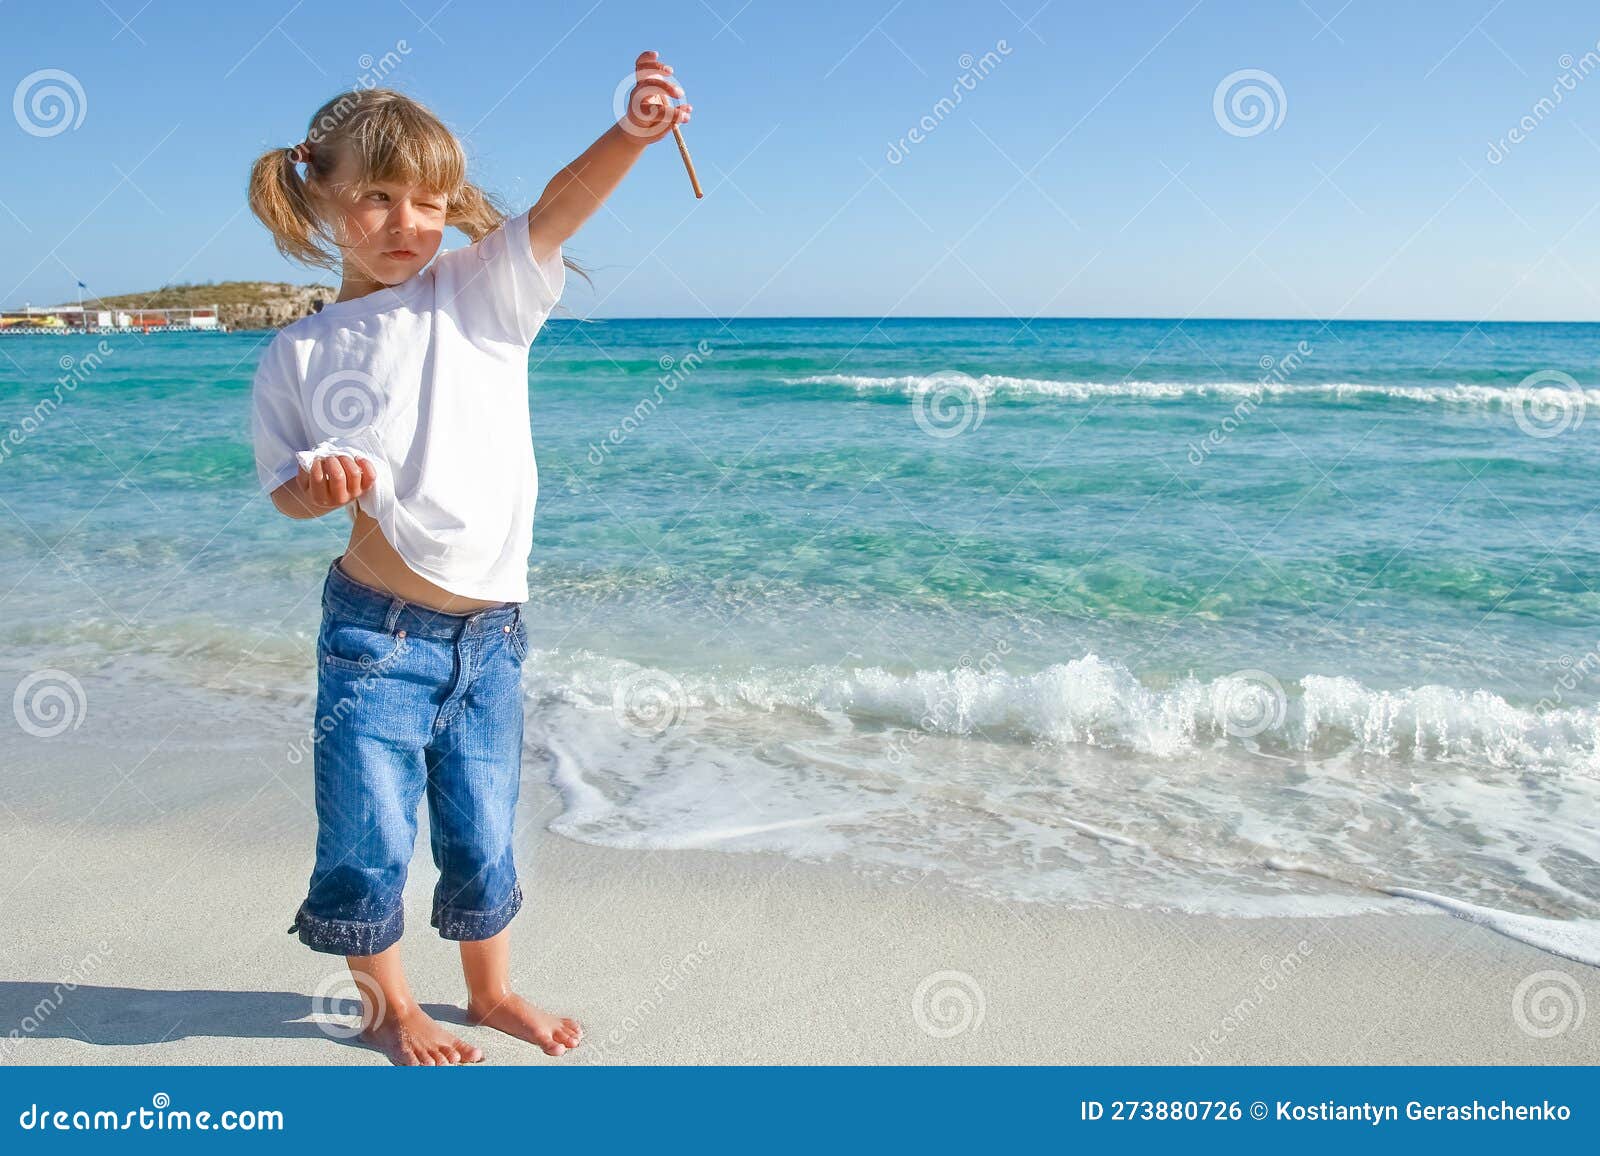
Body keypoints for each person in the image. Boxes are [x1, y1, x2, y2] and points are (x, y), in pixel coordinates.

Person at [245, 53, 691, 1065]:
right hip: (373, 632)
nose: (410, 223)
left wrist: (629, 131)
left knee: (484, 826)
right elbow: (283, 485)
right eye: (379, 197)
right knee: (366, 832)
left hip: (491, 635)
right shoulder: (297, 355)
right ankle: (387, 1005)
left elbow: (558, 207)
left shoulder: (478, 293)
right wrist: (312, 491)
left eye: (433, 202)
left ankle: (489, 991)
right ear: (316, 189)